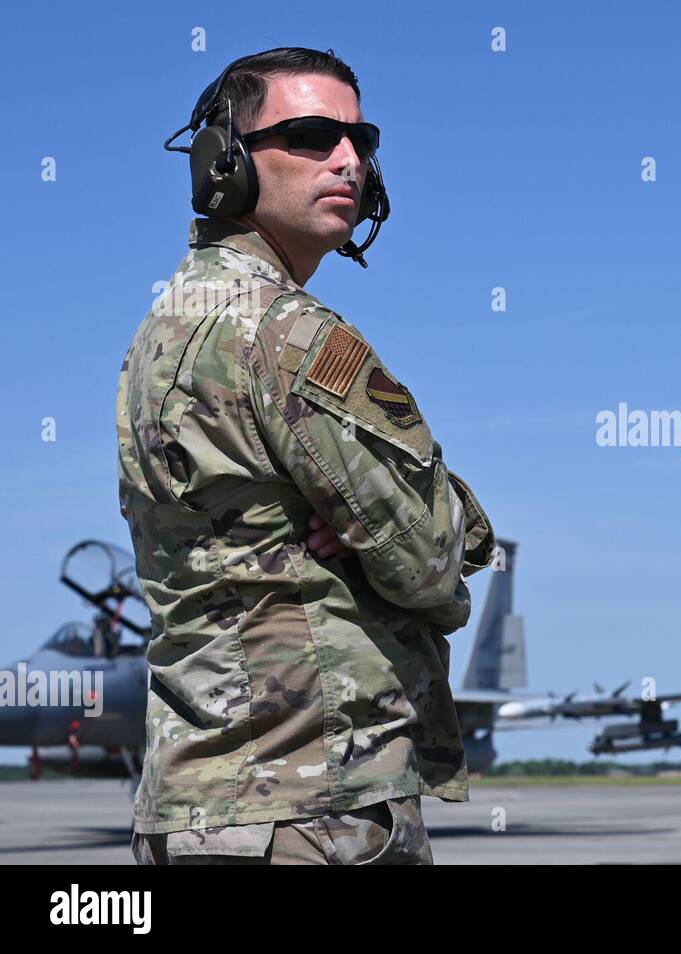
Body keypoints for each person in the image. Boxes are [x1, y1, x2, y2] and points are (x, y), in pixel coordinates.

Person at [117, 47, 494, 864]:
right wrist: (437, 528)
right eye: (313, 135)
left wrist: (369, 529)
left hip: (196, 809)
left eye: (362, 139)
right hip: (310, 814)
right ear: (227, 161)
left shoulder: (164, 328)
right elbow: (430, 561)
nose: (350, 160)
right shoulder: (289, 334)